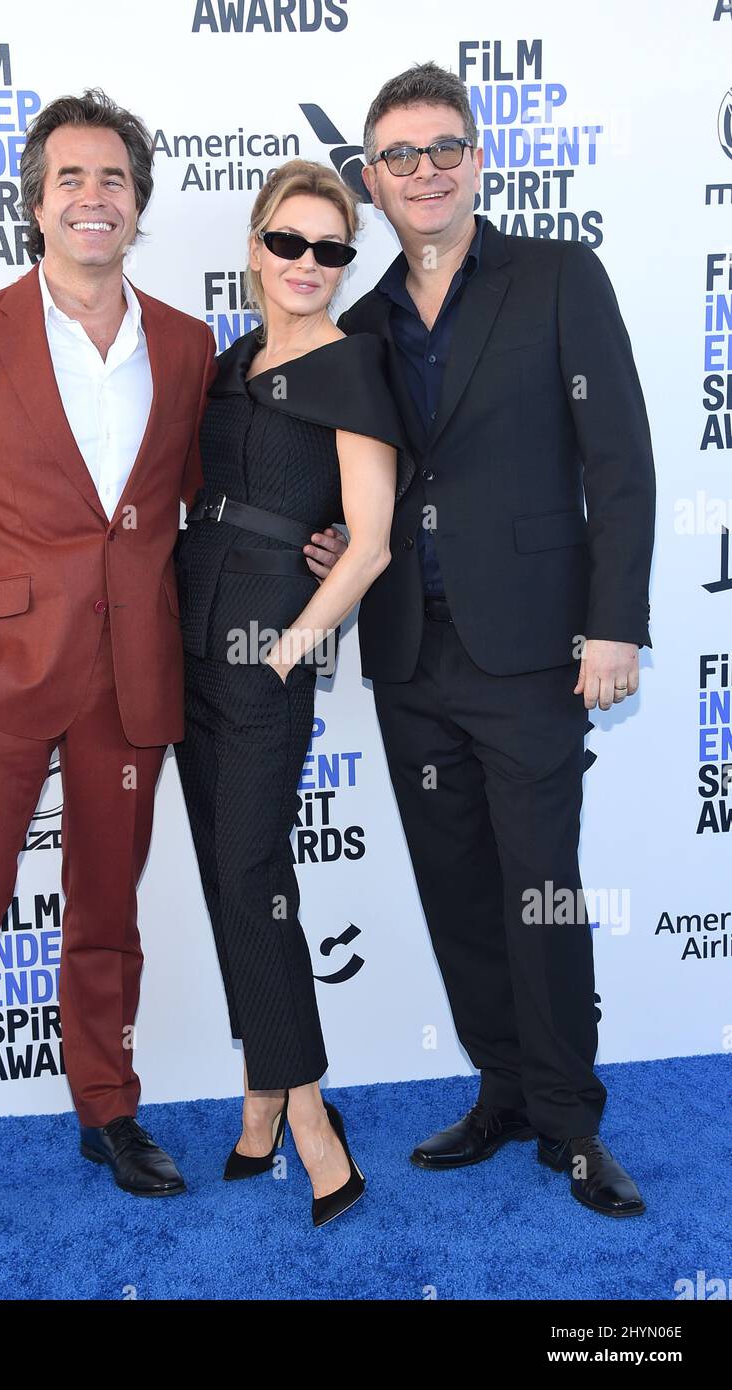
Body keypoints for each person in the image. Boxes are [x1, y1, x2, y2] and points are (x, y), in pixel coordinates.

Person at [0, 91, 345, 1248]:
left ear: (139, 205)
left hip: (129, 672)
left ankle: (107, 1111)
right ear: (35, 203)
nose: (94, 197)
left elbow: (213, 494)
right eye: (71, 178)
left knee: (105, 913)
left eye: (114, 180)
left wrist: (310, 540)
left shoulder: (185, 346)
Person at [337, 62, 656, 1217]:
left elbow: (619, 462)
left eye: (441, 147)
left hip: (531, 653)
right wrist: (335, 548)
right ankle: (504, 1090)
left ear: (476, 159)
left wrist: (614, 621)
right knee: (459, 891)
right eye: (397, 157)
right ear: (372, 182)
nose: (422, 170)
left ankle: (571, 1123)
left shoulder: (560, 276)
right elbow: (366, 486)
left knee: (543, 894)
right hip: (410, 651)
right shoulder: (362, 320)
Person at [174, 159, 410, 1226]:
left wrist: (288, 651)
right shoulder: (230, 363)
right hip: (185, 633)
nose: (307, 265)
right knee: (227, 877)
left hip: (267, 645)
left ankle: (308, 1109)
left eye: (331, 250)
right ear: (256, 246)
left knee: (256, 871)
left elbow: (366, 543)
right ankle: (260, 1090)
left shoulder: (354, 367)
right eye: (289, 242)